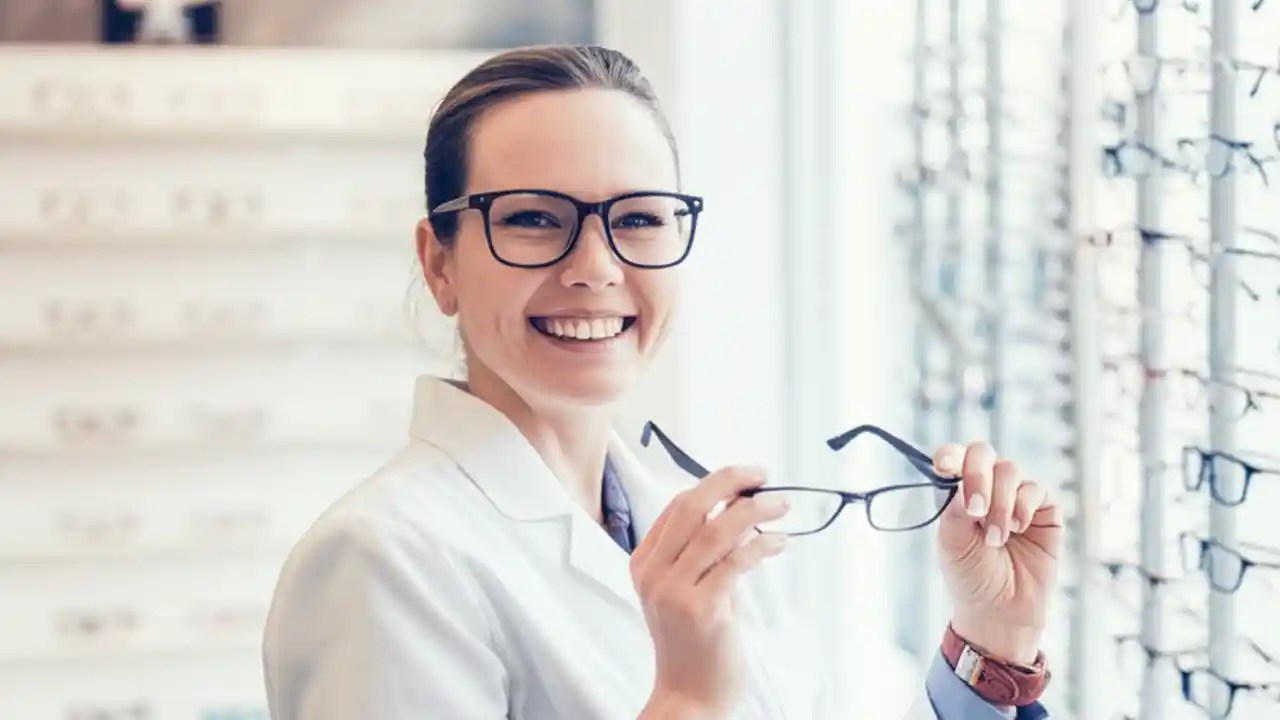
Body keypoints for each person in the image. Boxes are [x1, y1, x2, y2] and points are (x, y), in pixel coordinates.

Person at [262, 44, 1063, 719]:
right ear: (440, 264)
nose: (595, 269)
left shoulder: (701, 533)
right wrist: (684, 699)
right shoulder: (380, 560)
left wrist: (990, 648)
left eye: (639, 217)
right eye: (535, 218)